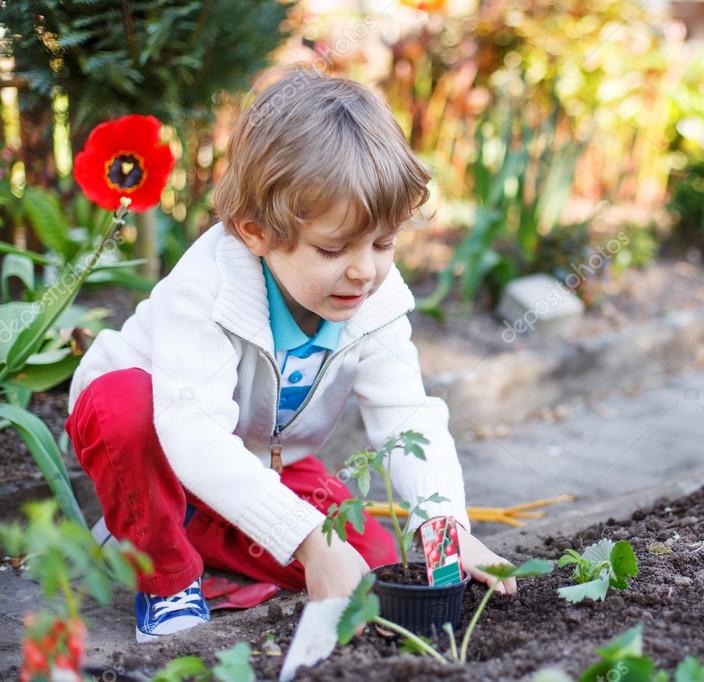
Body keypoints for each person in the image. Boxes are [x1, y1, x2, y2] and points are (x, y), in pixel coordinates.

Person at [64, 70, 516, 644]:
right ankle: (165, 569)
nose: (363, 270)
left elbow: (407, 417)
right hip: (156, 441)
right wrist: (308, 539)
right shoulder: (206, 291)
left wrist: (444, 526)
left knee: (371, 563)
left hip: (259, 460)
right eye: (333, 248)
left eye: (383, 243)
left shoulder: (373, 299)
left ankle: (202, 531)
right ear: (256, 232)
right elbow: (195, 438)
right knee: (123, 403)